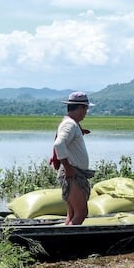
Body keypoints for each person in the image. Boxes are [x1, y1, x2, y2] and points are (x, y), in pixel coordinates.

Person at [52, 92, 95, 225]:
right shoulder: (70, 124)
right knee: (81, 213)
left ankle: (65, 236)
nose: (86, 112)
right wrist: (68, 168)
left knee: (72, 213)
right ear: (80, 108)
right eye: (85, 109)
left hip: (73, 172)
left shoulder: (71, 124)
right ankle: (66, 242)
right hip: (73, 173)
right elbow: (59, 144)